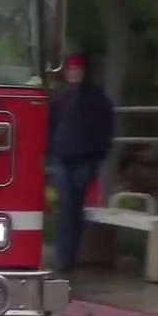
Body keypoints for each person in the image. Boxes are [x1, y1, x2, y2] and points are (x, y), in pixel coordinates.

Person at [46, 53, 115, 273]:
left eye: (78, 71)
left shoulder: (97, 99)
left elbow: (106, 130)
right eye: (71, 71)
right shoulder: (60, 98)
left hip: (85, 160)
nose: (74, 74)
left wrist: (98, 156)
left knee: (74, 208)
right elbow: (51, 125)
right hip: (62, 159)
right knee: (67, 205)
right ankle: (64, 255)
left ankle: (68, 254)